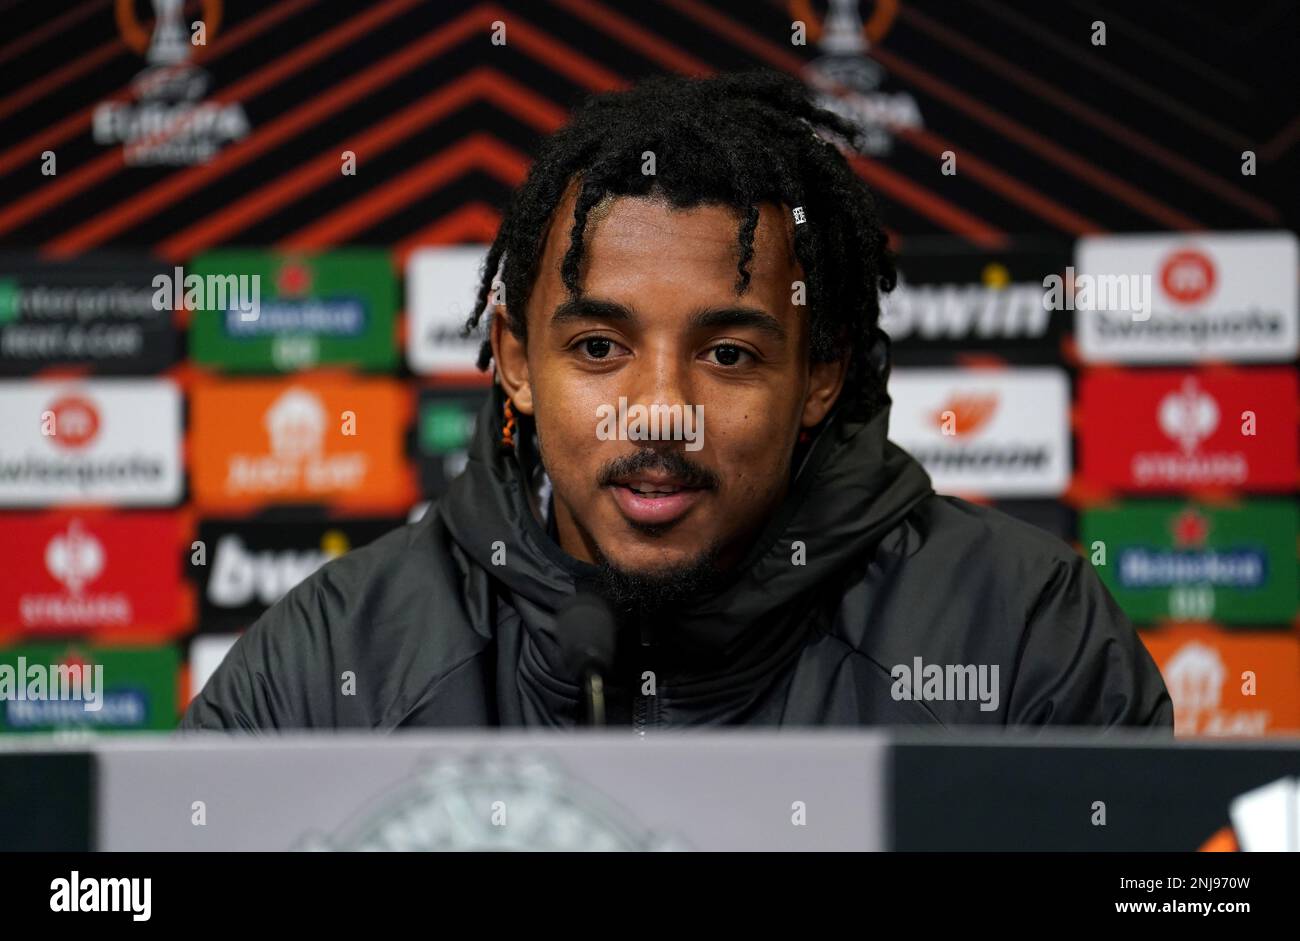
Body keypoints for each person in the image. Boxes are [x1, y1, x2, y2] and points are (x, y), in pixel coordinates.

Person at [181, 71, 1172, 732]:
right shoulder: (332, 665)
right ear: (514, 361)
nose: (659, 411)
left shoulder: (1022, 630)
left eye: (730, 352)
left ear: (819, 375)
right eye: (600, 347)